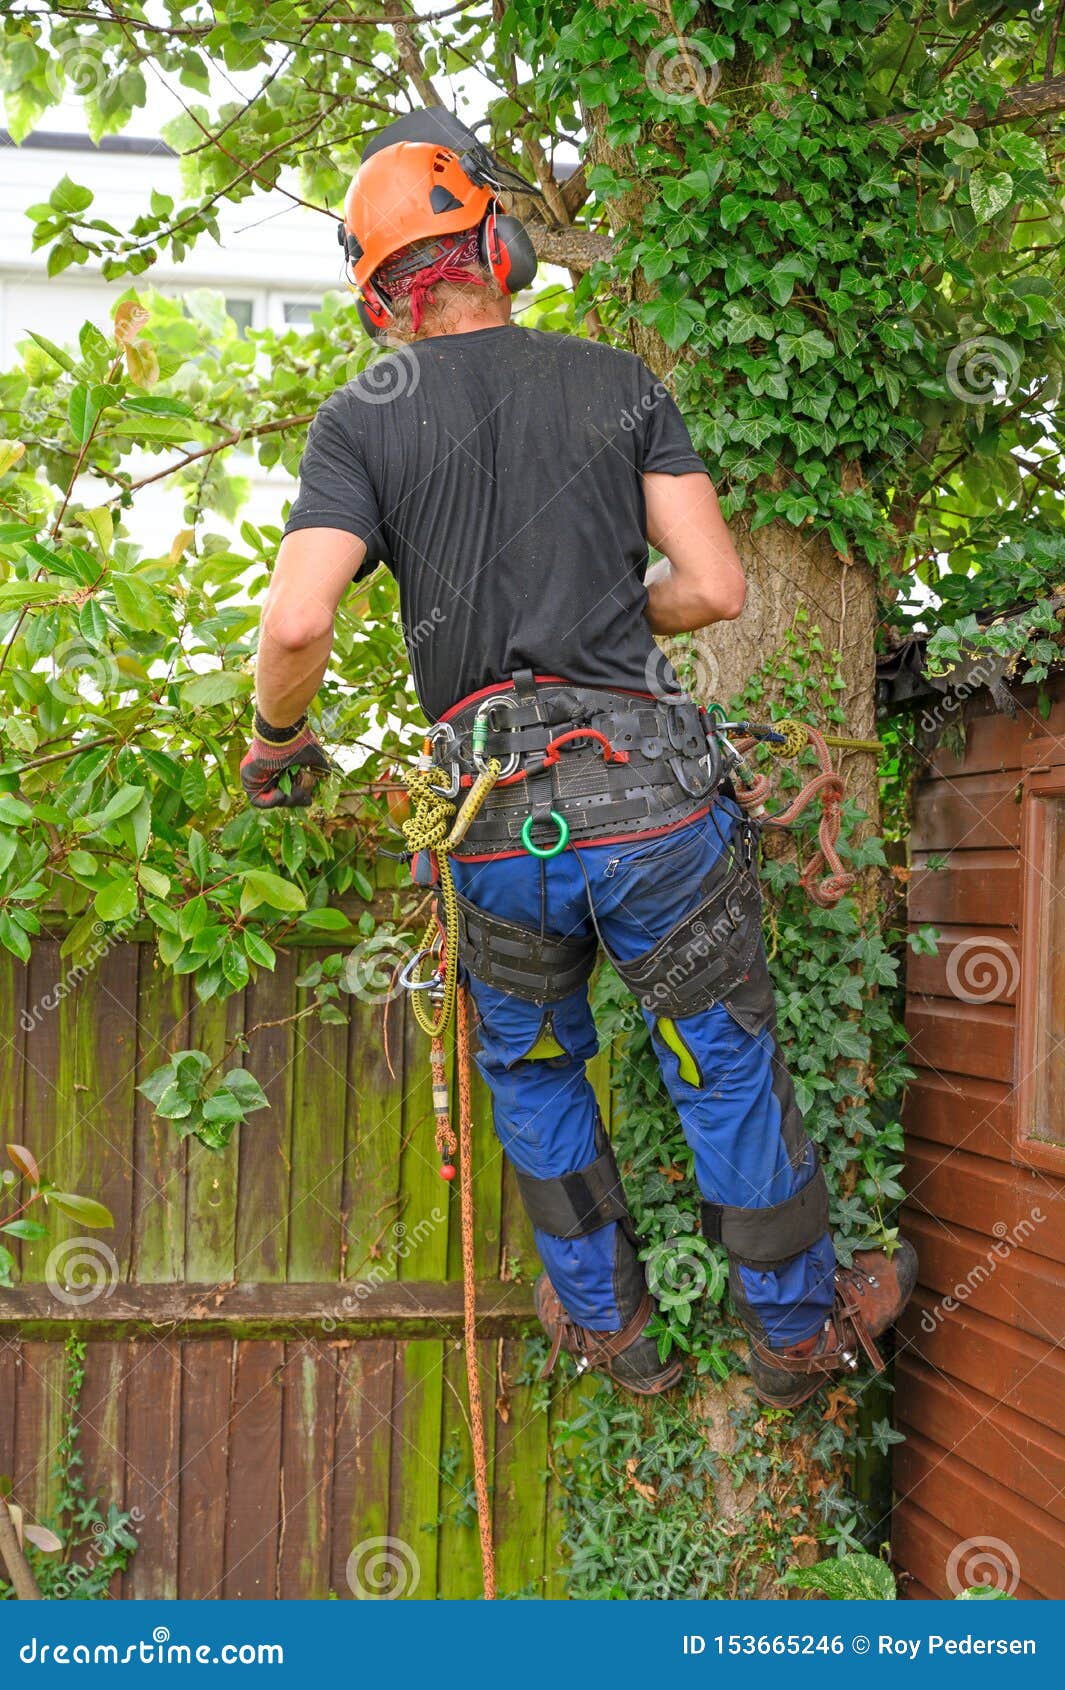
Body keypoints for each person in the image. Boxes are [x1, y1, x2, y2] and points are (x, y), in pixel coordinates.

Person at [241, 111, 915, 1408]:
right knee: (718, 1059)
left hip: (494, 823)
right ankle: (791, 1330)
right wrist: (613, 611)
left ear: (380, 295)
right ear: (499, 245)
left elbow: (296, 621)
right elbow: (713, 585)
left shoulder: (361, 420)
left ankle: (615, 1330)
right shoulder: (614, 385)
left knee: (535, 1065)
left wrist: (280, 743)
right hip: (651, 801)